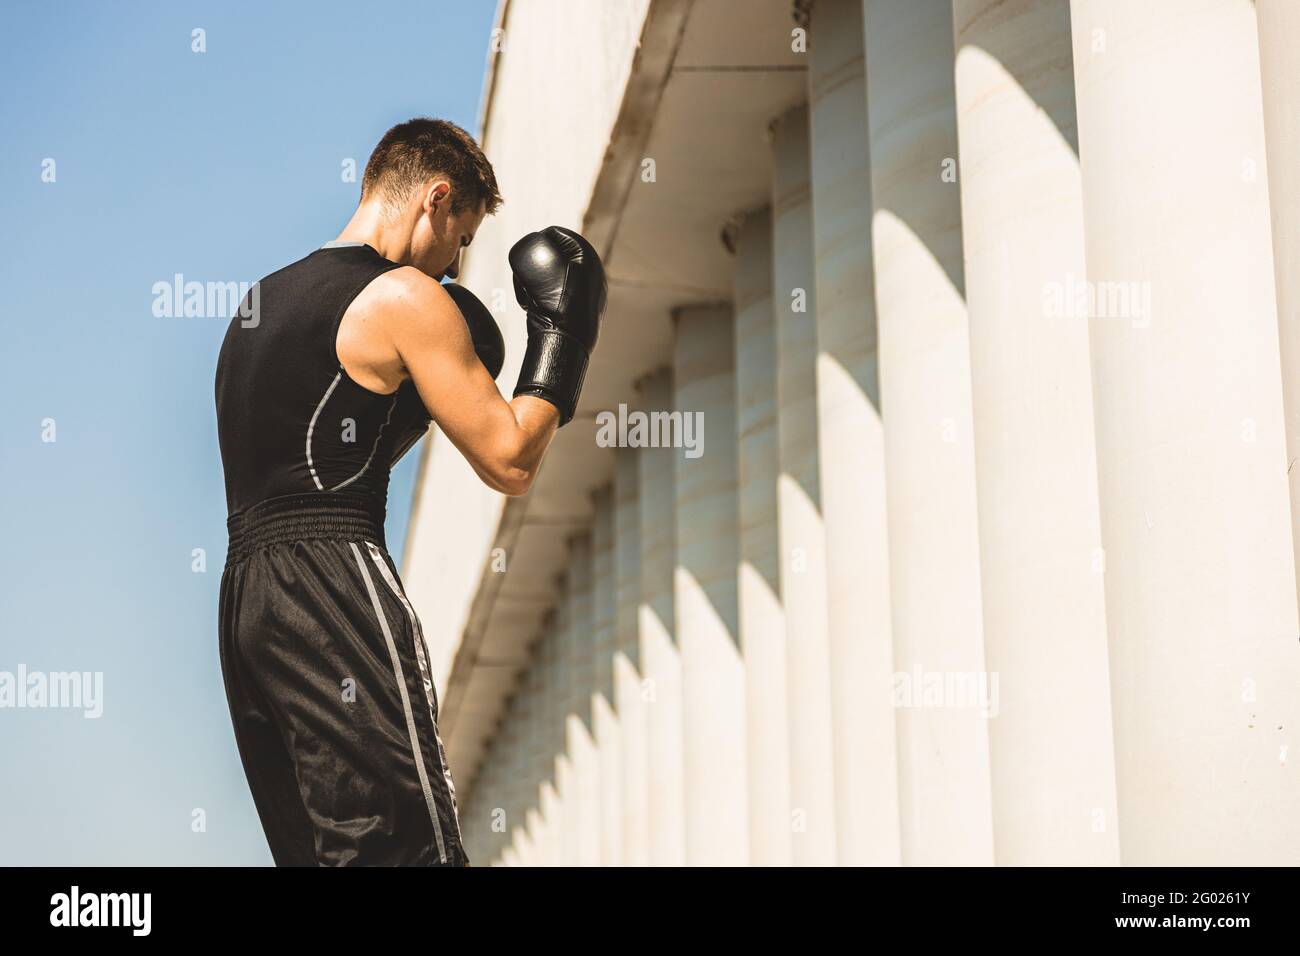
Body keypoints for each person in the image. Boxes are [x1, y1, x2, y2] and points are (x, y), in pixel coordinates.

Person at [214, 117, 606, 866]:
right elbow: (509, 459)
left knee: (330, 855)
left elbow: (322, 452)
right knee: (406, 847)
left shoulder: (254, 310)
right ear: (435, 199)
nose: (454, 269)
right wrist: (567, 336)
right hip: (335, 585)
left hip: (246, 605)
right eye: (460, 240)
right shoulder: (403, 298)